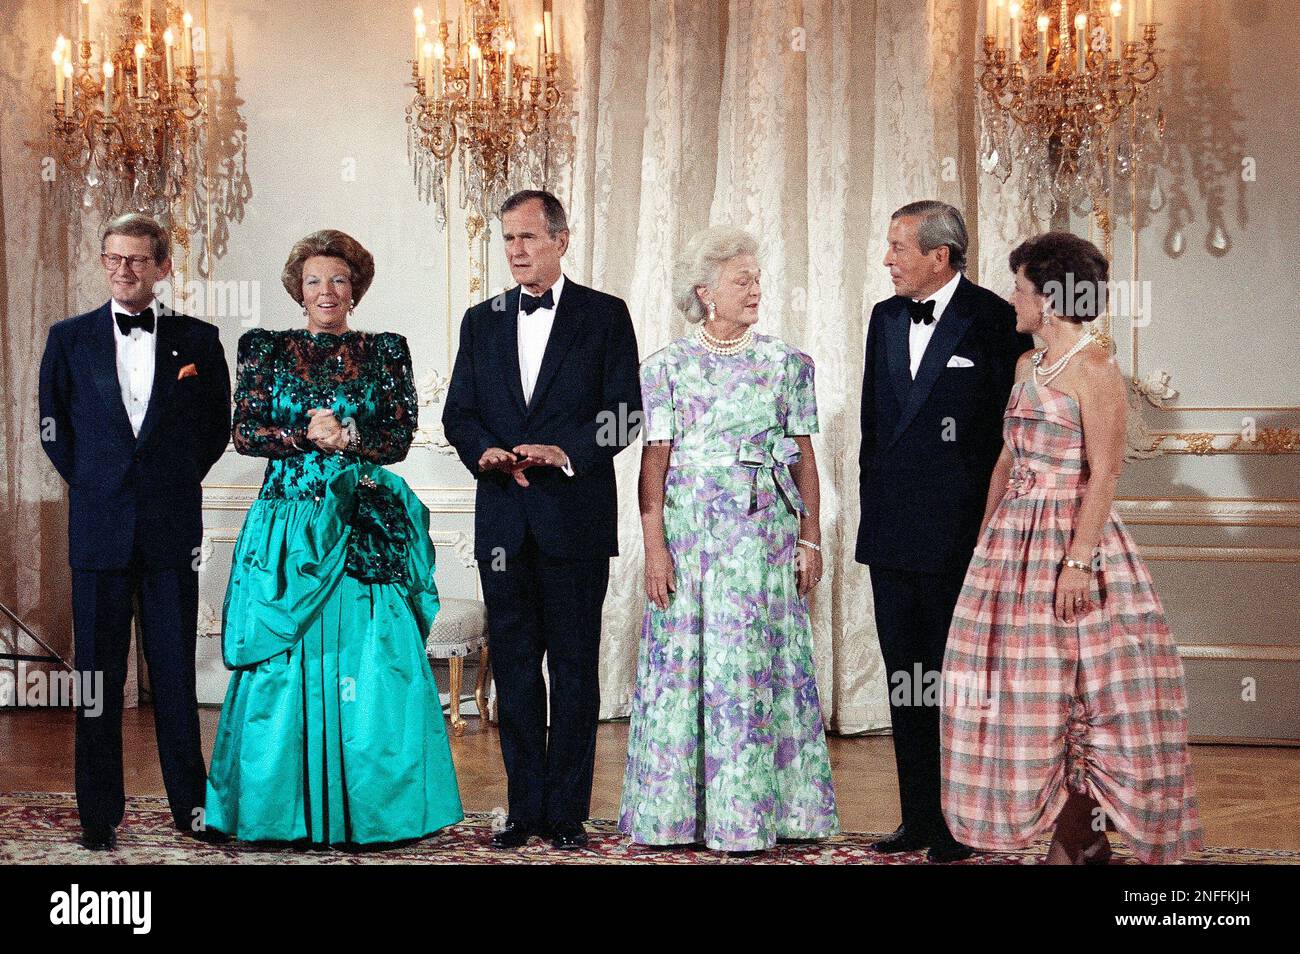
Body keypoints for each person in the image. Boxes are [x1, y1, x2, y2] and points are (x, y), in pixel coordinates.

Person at [940, 232, 1204, 864]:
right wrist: (985, 541)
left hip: (1073, 542)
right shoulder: (1028, 366)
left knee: (1083, 692)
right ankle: (1076, 840)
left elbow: (1106, 471)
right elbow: (1007, 460)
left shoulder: (1096, 369)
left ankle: (1082, 841)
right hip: (1013, 543)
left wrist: (1078, 563)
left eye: (1022, 289)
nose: (1012, 300)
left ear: (1050, 300)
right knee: (1022, 693)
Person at [203, 229, 463, 845]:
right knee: (279, 661)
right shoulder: (264, 346)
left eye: (339, 280)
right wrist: (303, 436)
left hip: (358, 520)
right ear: (298, 288)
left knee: (371, 665)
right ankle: (275, 810)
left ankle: (378, 813)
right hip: (288, 524)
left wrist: (348, 441)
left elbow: (398, 437)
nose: (327, 290)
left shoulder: (386, 350)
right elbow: (244, 431)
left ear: (356, 289)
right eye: (315, 280)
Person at [619, 226, 839, 852]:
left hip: (762, 541)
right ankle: (675, 817)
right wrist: (654, 548)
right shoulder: (664, 368)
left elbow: (803, 458)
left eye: (757, 279)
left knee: (752, 666)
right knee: (683, 667)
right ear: (705, 291)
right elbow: (652, 466)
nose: (756, 290)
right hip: (689, 541)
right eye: (743, 280)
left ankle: (760, 817)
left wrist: (811, 537)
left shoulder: (789, 364)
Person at [442, 190, 642, 850]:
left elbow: (626, 413)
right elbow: (458, 414)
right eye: (508, 239)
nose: (517, 250)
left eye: (528, 237)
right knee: (519, 673)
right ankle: (524, 809)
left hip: (575, 520)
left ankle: (567, 815)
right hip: (504, 520)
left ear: (560, 238)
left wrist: (568, 452)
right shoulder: (481, 320)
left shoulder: (605, 316)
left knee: (576, 673)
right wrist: (484, 452)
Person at [38, 213, 231, 850]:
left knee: (174, 673)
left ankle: (191, 808)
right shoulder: (68, 339)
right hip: (98, 529)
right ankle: (98, 814)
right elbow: (53, 429)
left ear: (163, 267)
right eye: (114, 259)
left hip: (172, 528)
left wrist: (165, 485)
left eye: (138, 260)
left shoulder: (199, 340)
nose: (125, 270)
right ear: (103, 262)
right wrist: (100, 485)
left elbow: (213, 428)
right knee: (96, 677)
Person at [855, 200, 1034, 863]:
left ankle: (963, 826)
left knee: (960, 684)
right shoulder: (884, 317)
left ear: (939, 256)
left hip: (963, 537)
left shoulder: (994, 320)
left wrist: (994, 535)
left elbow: (1008, 439)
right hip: (892, 535)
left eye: (898, 247)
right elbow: (876, 427)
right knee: (908, 679)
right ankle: (919, 820)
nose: (887, 259)